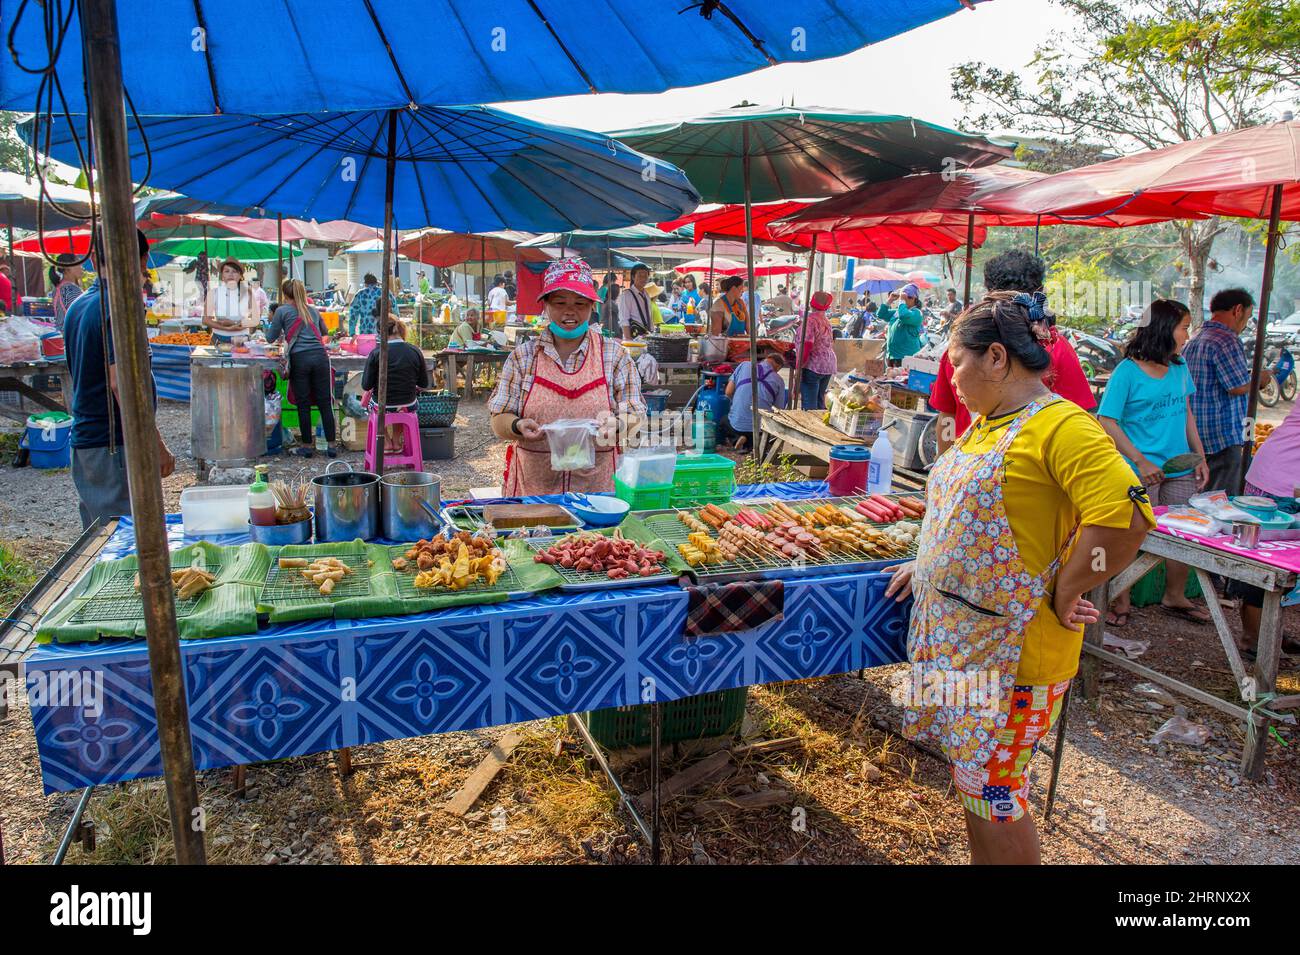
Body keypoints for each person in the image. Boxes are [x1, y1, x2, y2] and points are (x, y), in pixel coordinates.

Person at [885, 291, 1153, 864]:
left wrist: (1073, 586)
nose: (950, 377)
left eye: (955, 361)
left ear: (997, 359)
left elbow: (1127, 520)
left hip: (1013, 656)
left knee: (997, 796)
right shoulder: (986, 424)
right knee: (973, 784)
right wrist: (928, 560)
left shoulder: (1062, 426)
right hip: (959, 645)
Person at [1097, 299, 1211, 626]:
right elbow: (1107, 420)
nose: (1188, 335)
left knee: (1182, 533)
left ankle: (1174, 594)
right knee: (1133, 535)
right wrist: (1140, 460)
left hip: (1179, 467)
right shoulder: (1127, 372)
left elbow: (1187, 413)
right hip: (1139, 471)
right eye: (1184, 327)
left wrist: (1199, 456)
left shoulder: (1179, 366)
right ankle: (1119, 600)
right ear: (1164, 328)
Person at [490, 258, 644, 494]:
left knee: (598, 534)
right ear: (546, 305)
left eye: (581, 303)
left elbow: (636, 416)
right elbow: (499, 420)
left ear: (593, 307)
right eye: (560, 302)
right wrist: (517, 425)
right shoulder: (523, 357)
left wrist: (618, 424)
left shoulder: (614, 355)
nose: (570, 311)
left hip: (598, 494)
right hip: (535, 490)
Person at [930, 250, 1096, 453]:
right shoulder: (1055, 345)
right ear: (1038, 294)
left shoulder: (961, 349)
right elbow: (1081, 421)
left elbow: (947, 416)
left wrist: (944, 461)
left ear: (989, 293)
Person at [64, 227, 175, 528]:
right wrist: (156, 442)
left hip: (88, 442)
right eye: (143, 263)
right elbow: (120, 383)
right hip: (113, 445)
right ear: (137, 260)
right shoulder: (118, 308)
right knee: (126, 539)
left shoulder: (78, 306)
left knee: (102, 537)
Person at [1231, 403, 1300, 659]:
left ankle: (1272, 632)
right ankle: (1253, 638)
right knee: (1262, 562)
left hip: (1286, 480)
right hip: (1277, 486)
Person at [1182, 288, 1267, 494]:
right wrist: (1260, 379)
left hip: (1195, 433)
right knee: (1220, 500)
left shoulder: (1195, 337)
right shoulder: (1226, 339)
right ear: (1238, 310)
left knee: (1199, 496)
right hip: (1222, 437)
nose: (1246, 323)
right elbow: (1236, 387)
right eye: (1247, 316)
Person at [266, 278, 337, 458]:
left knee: (303, 404)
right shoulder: (313, 310)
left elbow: (269, 337)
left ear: (285, 294)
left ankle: (306, 446)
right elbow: (324, 332)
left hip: (300, 359)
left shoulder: (281, 311)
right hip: (320, 358)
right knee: (325, 403)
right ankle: (331, 445)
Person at [362, 311, 430, 455]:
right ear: (398, 329)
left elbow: (366, 385)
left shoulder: (376, 353)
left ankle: (386, 440)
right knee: (404, 405)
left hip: (382, 405)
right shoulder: (414, 351)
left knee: (370, 403)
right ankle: (397, 439)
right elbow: (424, 383)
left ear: (380, 333)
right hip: (408, 404)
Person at [725, 348, 787, 450]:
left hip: (737, 424)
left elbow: (728, 392)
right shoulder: (779, 380)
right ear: (778, 366)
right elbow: (779, 409)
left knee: (724, 421)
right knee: (761, 431)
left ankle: (738, 439)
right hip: (760, 428)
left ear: (767, 359)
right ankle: (751, 442)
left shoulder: (744, 365)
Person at [797, 290, 837, 410]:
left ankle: (811, 427)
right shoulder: (826, 321)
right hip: (828, 365)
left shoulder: (810, 321)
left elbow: (808, 345)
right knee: (820, 402)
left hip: (814, 366)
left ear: (810, 304)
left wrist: (800, 366)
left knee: (810, 406)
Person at [203, 257, 257, 343]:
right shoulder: (213, 293)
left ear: (240, 276)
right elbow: (206, 320)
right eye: (227, 271)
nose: (230, 274)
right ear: (222, 276)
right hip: (218, 339)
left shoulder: (248, 292)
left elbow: (255, 320)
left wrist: (235, 324)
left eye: (234, 271)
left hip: (242, 340)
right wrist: (226, 327)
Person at [878, 282, 924, 366]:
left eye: (904, 298)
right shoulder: (898, 312)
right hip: (892, 356)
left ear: (913, 298)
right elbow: (881, 314)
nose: (902, 301)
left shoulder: (917, 313)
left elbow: (903, 316)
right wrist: (890, 300)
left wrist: (901, 301)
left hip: (906, 357)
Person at [618, 262, 655, 339]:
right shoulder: (626, 295)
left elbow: (649, 318)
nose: (643, 278)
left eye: (645, 276)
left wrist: (652, 334)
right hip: (633, 338)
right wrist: (629, 340)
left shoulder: (646, 295)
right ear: (633, 277)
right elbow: (624, 320)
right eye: (640, 276)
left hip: (647, 336)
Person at [50, 253, 85, 329]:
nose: (82, 268)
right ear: (67, 268)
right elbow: (80, 315)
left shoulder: (57, 288)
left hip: (62, 333)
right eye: (78, 264)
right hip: (72, 332)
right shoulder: (71, 289)